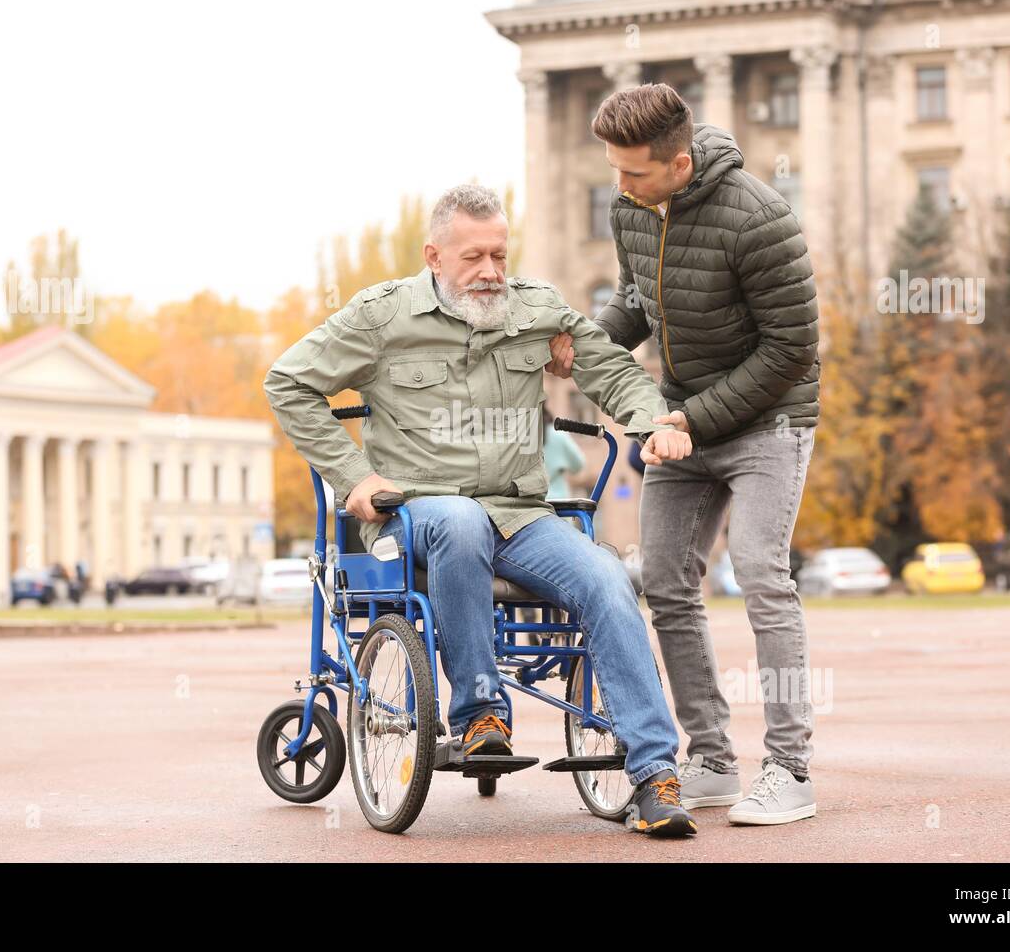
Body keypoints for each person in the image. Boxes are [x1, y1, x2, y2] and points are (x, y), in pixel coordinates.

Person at [265, 183, 697, 836]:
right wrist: (352, 476)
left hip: (522, 518)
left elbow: (610, 369)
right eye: (474, 257)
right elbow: (288, 381)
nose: (491, 271)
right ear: (434, 255)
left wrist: (651, 422)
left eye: (500, 254)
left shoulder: (535, 310)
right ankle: (479, 716)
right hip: (416, 516)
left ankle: (654, 773)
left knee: (609, 576)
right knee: (461, 523)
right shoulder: (383, 316)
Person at [546, 84, 821, 826]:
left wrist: (691, 420)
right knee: (665, 581)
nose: (620, 184)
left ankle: (791, 771)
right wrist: (589, 344)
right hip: (680, 422)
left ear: (678, 161)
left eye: (633, 172)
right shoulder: (631, 207)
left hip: (769, 421)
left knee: (763, 575)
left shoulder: (761, 219)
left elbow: (792, 349)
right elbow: (639, 300)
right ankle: (711, 759)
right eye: (613, 169)